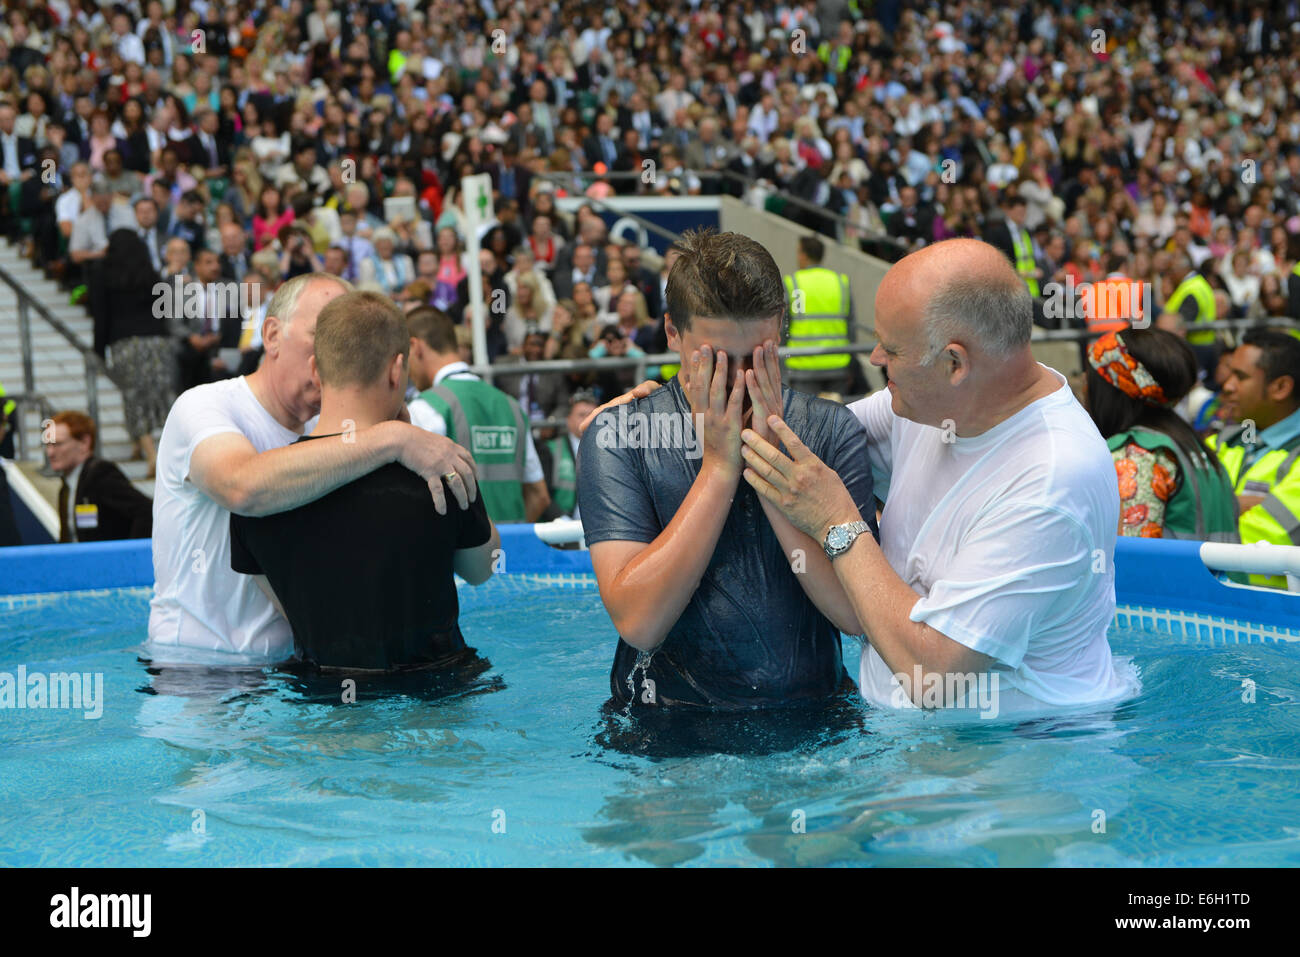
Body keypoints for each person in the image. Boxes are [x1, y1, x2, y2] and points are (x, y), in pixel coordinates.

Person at [739, 238, 1139, 713]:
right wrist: (659, 417)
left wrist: (836, 523)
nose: (873, 359)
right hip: (920, 749)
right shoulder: (940, 403)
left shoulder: (1052, 480)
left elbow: (933, 679)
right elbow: (810, 440)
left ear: (955, 363)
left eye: (891, 348)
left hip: (1017, 759)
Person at [578, 229, 874, 710]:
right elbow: (639, 622)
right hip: (667, 726)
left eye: (756, 358)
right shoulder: (621, 436)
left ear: (778, 327)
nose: (738, 381)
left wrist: (770, 463)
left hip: (815, 720)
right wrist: (717, 470)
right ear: (672, 332)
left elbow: (856, 616)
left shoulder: (831, 431)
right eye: (716, 361)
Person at [148, 273, 479, 663]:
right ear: (271, 335)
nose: (334, 351)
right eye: (322, 335)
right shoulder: (204, 406)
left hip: (296, 675)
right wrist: (394, 438)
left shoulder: (331, 432)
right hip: (198, 668)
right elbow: (243, 487)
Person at [230, 292, 499, 672]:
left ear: (315, 369)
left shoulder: (260, 495)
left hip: (319, 703)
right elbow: (484, 568)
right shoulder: (440, 472)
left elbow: (290, 606)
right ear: (396, 369)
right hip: (436, 700)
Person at [1085, 329, 1238, 541]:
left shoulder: (1135, 457)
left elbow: (1130, 560)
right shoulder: (1189, 444)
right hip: (1211, 575)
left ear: (1112, 391)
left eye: (1092, 378)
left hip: (1176, 576)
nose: (1084, 385)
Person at [405, 306, 551, 523]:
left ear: (415, 347)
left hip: (459, 554)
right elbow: (539, 496)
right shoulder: (512, 407)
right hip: (511, 552)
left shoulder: (424, 408)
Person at [1207, 329, 1300, 588]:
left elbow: (1253, 548)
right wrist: (1240, 505)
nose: (1227, 386)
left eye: (1240, 376)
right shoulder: (1222, 441)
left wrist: (1214, 507)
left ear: (1281, 387)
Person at [91, 228, 173, 477]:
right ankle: (143, 447)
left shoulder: (103, 273)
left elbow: (101, 315)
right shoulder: (150, 273)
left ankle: (151, 454)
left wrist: (98, 350)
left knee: (134, 397)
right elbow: (165, 309)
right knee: (157, 396)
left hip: (125, 343)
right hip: (157, 342)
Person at [44, 411, 152, 542]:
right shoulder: (66, 488)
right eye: (47, 445)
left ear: (85, 442)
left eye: (58, 444)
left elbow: (145, 510)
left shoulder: (100, 474)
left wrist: (129, 555)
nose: (50, 452)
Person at [783, 234, 854, 396]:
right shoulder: (840, 282)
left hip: (802, 366)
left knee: (806, 419)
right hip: (838, 365)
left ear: (803, 255)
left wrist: (784, 359)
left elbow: (783, 328)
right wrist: (851, 365)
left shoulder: (793, 283)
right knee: (837, 418)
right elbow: (851, 328)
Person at [538, 390, 597, 522]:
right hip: (561, 528)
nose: (587, 420)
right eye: (581, 415)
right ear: (568, 420)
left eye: (592, 415)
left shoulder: (610, 450)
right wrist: (562, 520)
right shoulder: (550, 449)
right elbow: (542, 495)